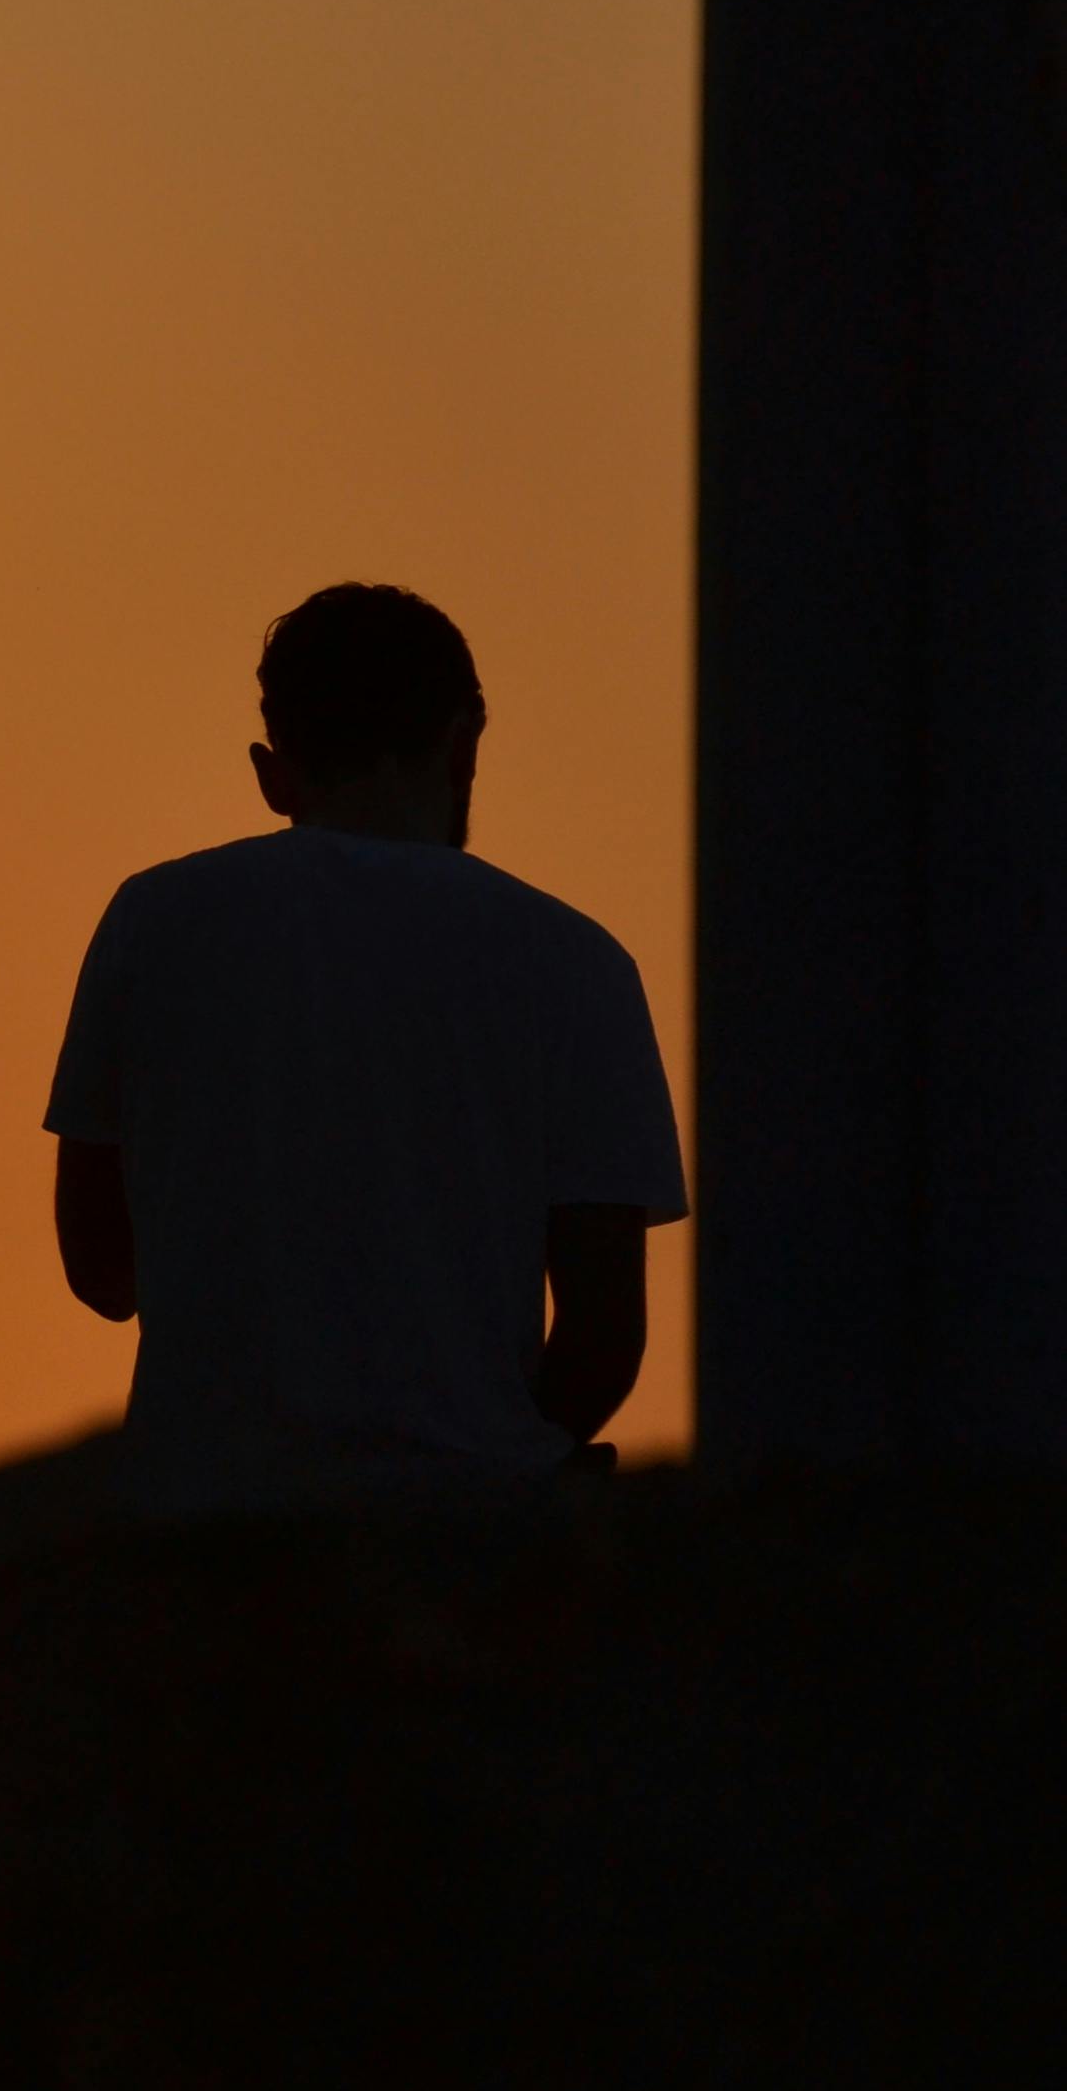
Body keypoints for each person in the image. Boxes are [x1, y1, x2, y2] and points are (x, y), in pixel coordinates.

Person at [44, 585, 688, 1511]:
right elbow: (603, 1334)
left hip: (202, 1527)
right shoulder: (577, 963)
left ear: (273, 771)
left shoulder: (153, 923)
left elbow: (101, 1271)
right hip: (464, 1531)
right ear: (465, 741)